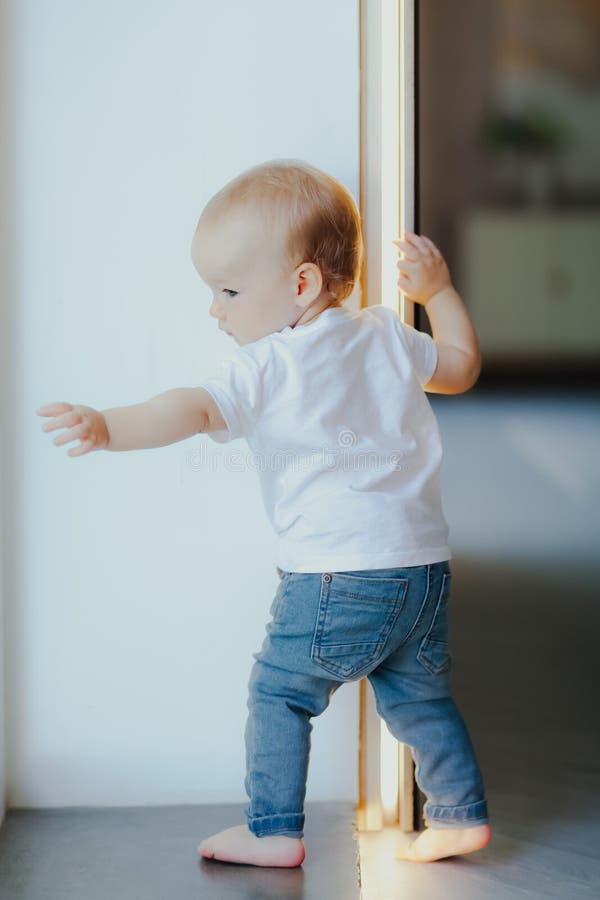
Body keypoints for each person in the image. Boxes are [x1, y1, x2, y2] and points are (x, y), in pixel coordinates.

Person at [36, 159, 492, 868]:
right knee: (418, 698)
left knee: (281, 692)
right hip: (423, 570)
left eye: (228, 290)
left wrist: (108, 426)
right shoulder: (386, 334)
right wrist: (437, 292)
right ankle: (459, 812)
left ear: (301, 285)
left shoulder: (268, 365)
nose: (214, 310)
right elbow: (461, 367)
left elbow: (191, 409)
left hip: (336, 575)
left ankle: (273, 828)